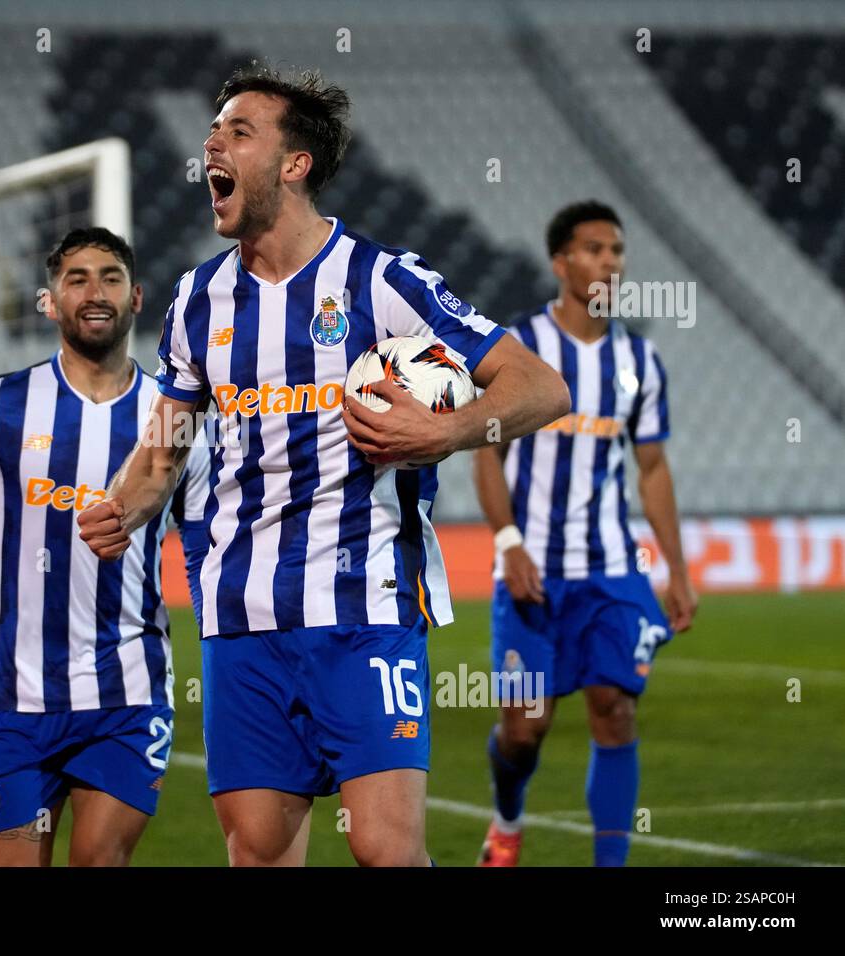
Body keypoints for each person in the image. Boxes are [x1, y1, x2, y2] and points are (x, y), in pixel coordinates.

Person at [79, 66, 569, 867]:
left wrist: (451, 434)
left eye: (239, 130)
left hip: (361, 608)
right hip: (240, 621)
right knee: (261, 856)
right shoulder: (197, 302)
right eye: (214, 129)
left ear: (294, 163)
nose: (212, 143)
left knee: (386, 853)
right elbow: (164, 444)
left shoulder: (384, 280)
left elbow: (540, 386)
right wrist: (124, 504)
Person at [0, 228, 210, 866]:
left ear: (137, 297)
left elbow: (206, 542)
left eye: (111, 278)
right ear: (49, 301)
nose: (95, 293)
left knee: (99, 861)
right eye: (77, 279)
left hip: (127, 695)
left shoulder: (173, 418)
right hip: (14, 701)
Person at [474, 200, 698, 867]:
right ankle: (506, 821)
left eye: (618, 251)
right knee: (524, 729)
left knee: (615, 708)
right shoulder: (522, 350)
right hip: (532, 568)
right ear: (560, 261)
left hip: (610, 569)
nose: (610, 262)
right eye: (595, 249)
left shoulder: (639, 363)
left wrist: (678, 572)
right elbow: (487, 452)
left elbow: (651, 468)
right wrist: (508, 543)